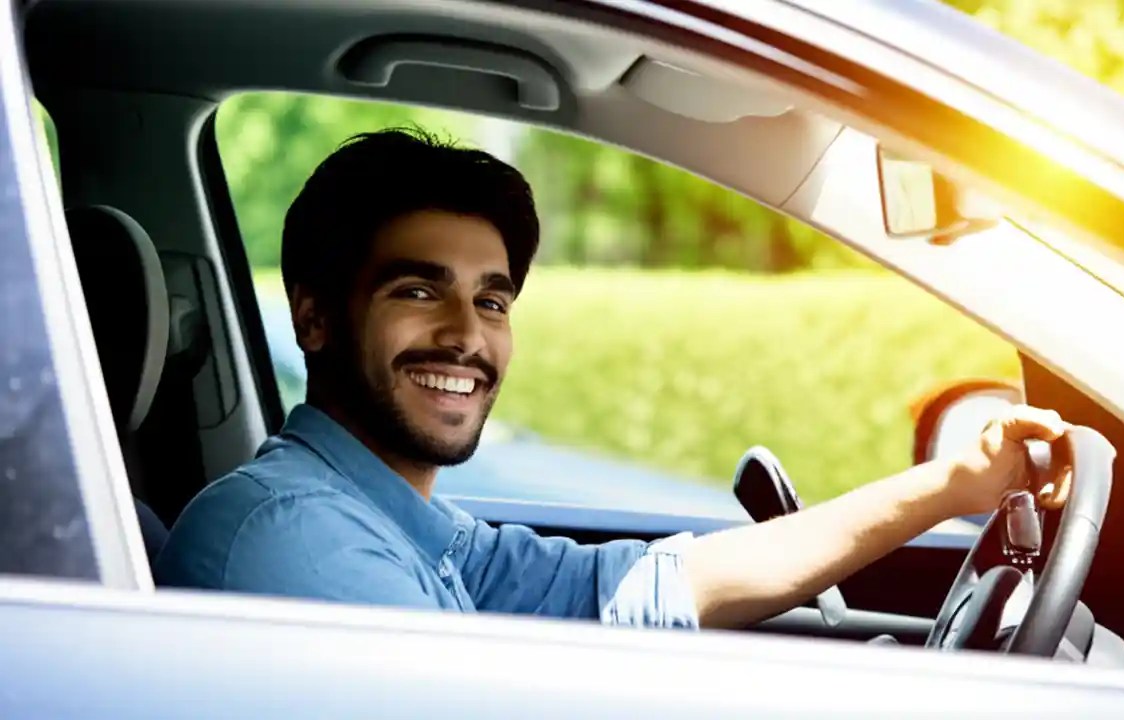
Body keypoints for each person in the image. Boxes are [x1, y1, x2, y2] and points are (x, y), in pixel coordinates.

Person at [155, 128, 1071, 630]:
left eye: (494, 300)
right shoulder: (291, 541)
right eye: (416, 289)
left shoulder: (403, 525)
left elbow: (647, 585)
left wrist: (953, 485)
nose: (465, 336)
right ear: (313, 318)